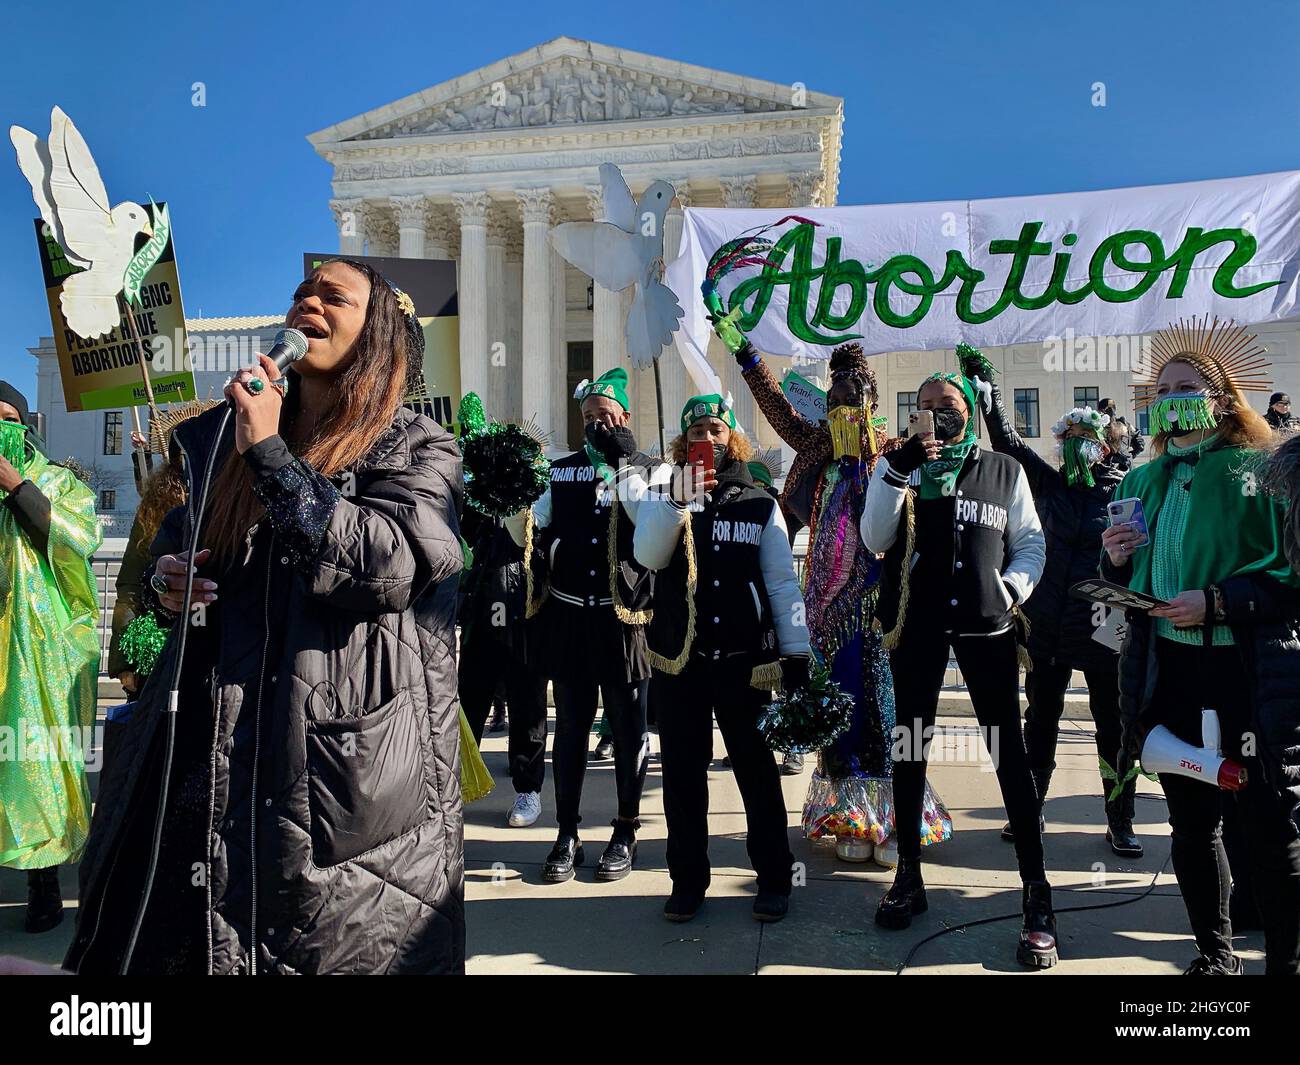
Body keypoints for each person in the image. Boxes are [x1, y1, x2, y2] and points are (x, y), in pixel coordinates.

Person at [65, 259, 466, 974]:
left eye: (332, 296)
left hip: (327, 775)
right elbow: (180, 554)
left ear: (376, 330)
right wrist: (169, 581)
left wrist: (273, 455)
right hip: (205, 751)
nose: (308, 301)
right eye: (301, 293)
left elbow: (387, 565)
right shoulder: (221, 444)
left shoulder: (417, 447)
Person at [1102, 318, 1300, 975]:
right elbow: (1123, 591)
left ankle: (1285, 960)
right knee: (1190, 824)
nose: (1170, 398)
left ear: (1222, 397)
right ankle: (1215, 954)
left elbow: (1292, 582)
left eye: (1185, 387)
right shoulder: (1141, 480)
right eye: (1161, 390)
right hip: (1170, 669)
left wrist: (1218, 601)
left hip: (1244, 670)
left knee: (1269, 827)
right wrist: (1116, 564)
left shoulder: (1260, 470)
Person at [860, 353, 1058, 968]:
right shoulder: (897, 467)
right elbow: (874, 539)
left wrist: (1011, 588)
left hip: (985, 629)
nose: (939, 419)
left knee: (1009, 756)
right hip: (916, 628)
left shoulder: (1002, 470)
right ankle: (909, 877)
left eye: (950, 409)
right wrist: (896, 471)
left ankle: (1036, 892)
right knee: (909, 749)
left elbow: (1029, 542)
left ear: (970, 415)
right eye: (928, 408)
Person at [729, 335, 952, 866]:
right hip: (823, 605)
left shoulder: (892, 452)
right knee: (837, 708)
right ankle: (851, 815)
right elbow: (777, 407)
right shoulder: (817, 447)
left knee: (882, 706)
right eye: (835, 399)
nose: (842, 408)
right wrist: (746, 353)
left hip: (875, 604)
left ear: (872, 402)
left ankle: (895, 817)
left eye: (853, 398)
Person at [629, 394, 805, 922]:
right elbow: (647, 556)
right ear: (686, 443)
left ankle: (775, 878)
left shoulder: (759, 501)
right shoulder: (666, 494)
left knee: (756, 773)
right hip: (680, 663)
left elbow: (780, 580)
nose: (710, 436)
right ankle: (687, 880)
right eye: (699, 429)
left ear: (733, 439)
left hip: (744, 661)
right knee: (683, 775)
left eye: (718, 428)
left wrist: (795, 650)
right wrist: (677, 502)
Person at [980, 368, 1140, 856]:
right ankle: (1030, 809)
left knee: (1111, 723)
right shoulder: (1048, 484)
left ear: (1106, 447)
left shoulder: (1127, 492)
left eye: (1086, 438)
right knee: (1041, 716)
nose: (1076, 445)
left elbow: (1137, 563)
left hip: (1104, 626)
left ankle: (1120, 818)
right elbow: (1009, 444)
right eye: (1068, 437)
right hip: (1047, 623)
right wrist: (988, 397)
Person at [505, 368, 653, 883]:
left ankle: (625, 829)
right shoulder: (561, 470)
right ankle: (567, 832)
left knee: (629, 731)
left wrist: (622, 465)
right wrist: (509, 496)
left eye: (605, 415)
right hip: (569, 617)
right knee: (568, 731)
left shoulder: (650, 470)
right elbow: (530, 525)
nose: (595, 425)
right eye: (588, 417)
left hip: (622, 622)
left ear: (625, 417)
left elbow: (657, 525)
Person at [0, 382, 102, 934]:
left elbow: (78, 540)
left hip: (42, 651)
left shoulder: (59, 483)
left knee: (36, 764)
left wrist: (20, 489)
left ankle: (42, 882)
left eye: (9, 419)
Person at [458, 505, 548, 827]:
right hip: (482, 606)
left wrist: (511, 493)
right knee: (469, 703)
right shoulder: (477, 486)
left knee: (527, 705)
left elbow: (529, 536)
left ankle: (528, 790)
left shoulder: (540, 479)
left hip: (524, 611)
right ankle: (454, 785)